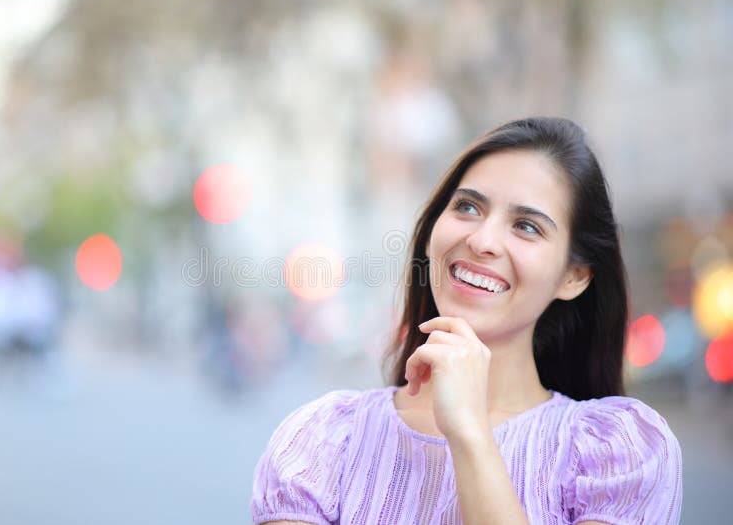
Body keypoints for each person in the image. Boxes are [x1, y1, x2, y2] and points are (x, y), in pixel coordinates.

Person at [250, 117, 683, 525]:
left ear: (574, 276)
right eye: (468, 207)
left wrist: (470, 433)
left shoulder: (619, 454)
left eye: (527, 226)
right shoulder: (324, 441)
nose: (482, 240)